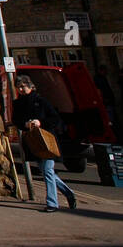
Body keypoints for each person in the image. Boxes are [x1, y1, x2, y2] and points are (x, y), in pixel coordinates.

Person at [12, 74, 77, 213]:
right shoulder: (18, 104)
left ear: (30, 86)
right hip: (33, 141)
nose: (21, 90)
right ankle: (68, 192)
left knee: (47, 171)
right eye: (19, 87)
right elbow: (16, 120)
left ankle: (52, 203)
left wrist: (40, 122)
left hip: (46, 140)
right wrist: (25, 124)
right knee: (46, 172)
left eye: (23, 86)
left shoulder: (41, 101)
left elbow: (55, 118)